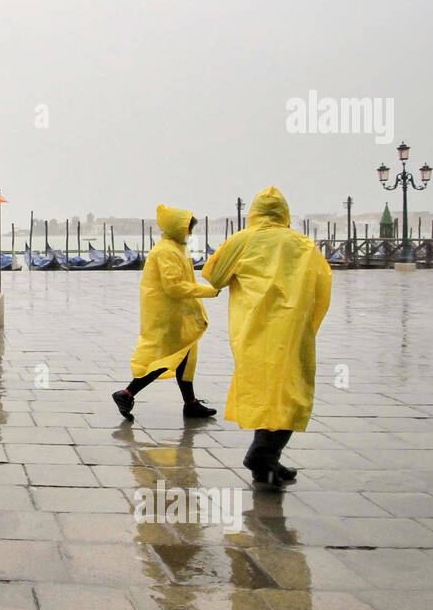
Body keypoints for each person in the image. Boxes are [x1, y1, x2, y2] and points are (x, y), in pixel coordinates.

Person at [202, 186, 332, 487]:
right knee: (290, 394)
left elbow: (214, 276)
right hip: (292, 331)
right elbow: (322, 283)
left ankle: (265, 459)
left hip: (253, 330)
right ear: (284, 213)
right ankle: (265, 457)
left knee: (263, 390)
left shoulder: (241, 240)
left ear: (254, 213)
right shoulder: (303, 244)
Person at [113, 205, 219, 421]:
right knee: (166, 358)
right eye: (188, 228)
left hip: (178, 312)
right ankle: (126, 393)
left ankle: (190, 404)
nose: (190, 233)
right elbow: (174, 286)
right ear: (178, 228)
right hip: (168, 314)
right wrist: (210, 290)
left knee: (184, 357)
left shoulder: (175, 247)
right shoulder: (166, 251)